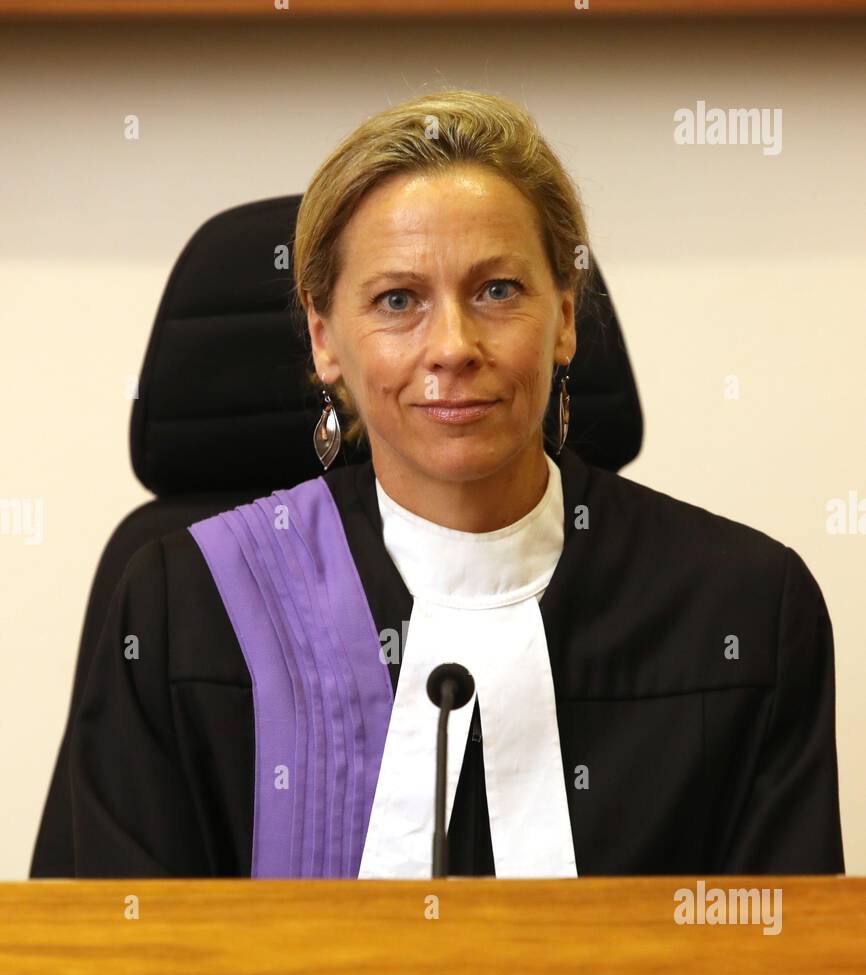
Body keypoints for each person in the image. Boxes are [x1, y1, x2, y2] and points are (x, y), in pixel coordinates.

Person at [69, 89, 845, 878]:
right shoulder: (185, 608)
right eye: (397, 300)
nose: (453, 346)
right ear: (324, 338)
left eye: (497, 291)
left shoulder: (742, 606)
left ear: (566, 316)